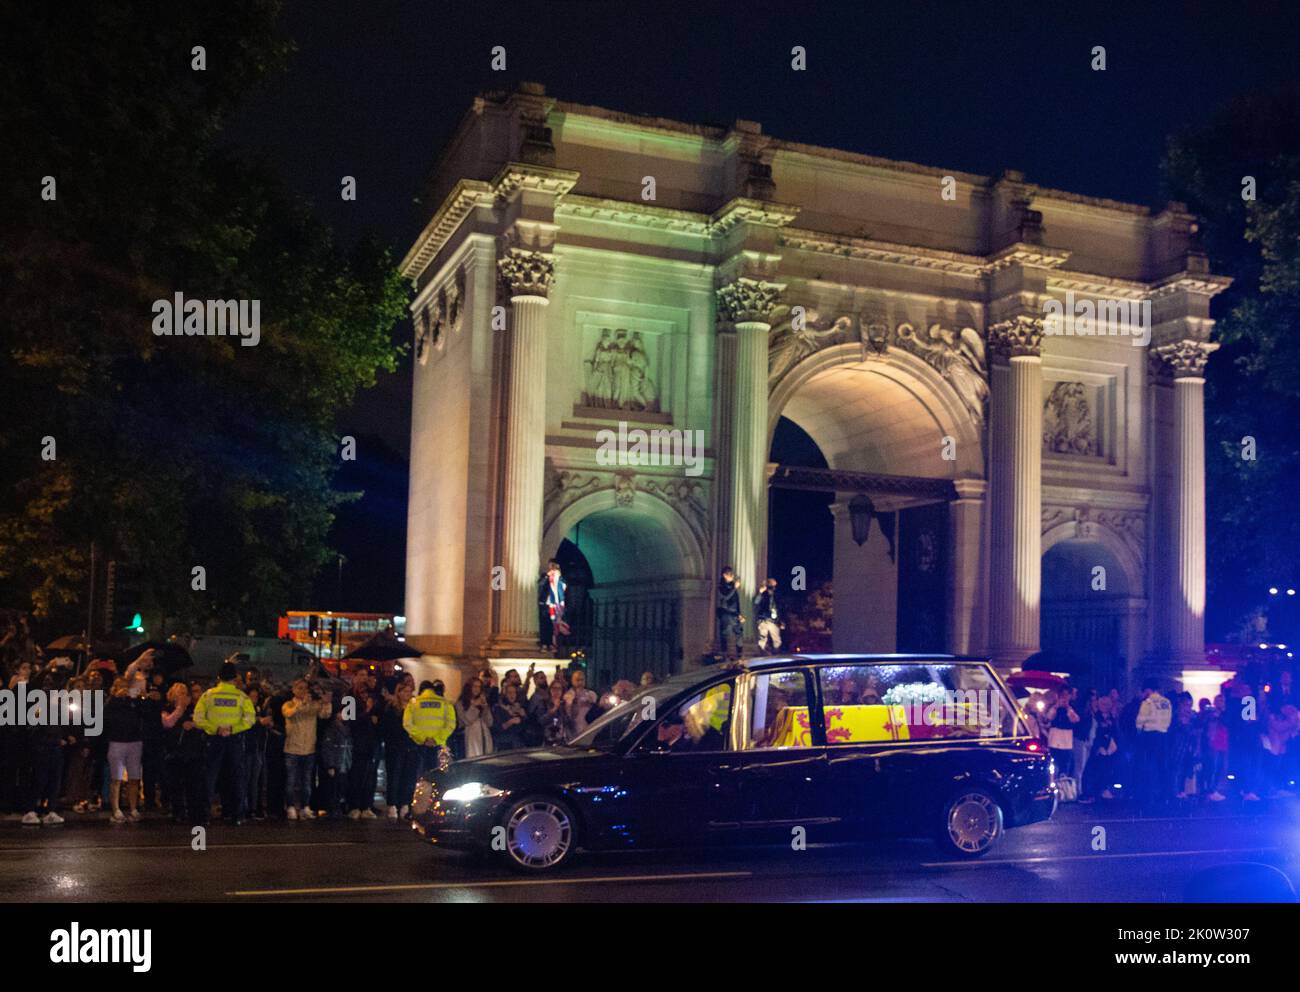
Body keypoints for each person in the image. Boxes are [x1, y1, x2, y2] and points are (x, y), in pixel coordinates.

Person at [193, 661, 256, 825]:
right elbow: (250, 719)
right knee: (237, 777)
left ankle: (204, 816)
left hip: (213, 740)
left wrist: (216, 729)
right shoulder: (241, 697)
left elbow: (198, 718)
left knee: (209, 777)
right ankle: (237, 815)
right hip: (234, 740)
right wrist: (233, 729)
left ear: (219, 677)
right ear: (235, 678)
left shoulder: (208, 695)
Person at [281, 678, 331, 820]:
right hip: (292, 748)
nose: (303, 691)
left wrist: (326, 702)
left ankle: (305, 806)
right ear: (294, 690)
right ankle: (290, 806)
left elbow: (325, 714)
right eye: (300, 688)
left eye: (305, 688)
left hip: (309, 749)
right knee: (291, 781)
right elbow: (289, 713)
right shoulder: (288, 704)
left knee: (307, 781)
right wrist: (302, 703)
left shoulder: (313, 705)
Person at [161, 683, 208, 824]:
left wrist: (193, 724)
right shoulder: (168, 709)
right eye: (179, 693)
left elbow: (205, 723)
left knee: (193, 785)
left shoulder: (194, 709)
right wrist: (179, 709)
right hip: (175, 752)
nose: (182, 696)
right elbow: (167, 723)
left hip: (193, 752)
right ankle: (178, 811)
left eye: (184, 693)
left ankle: (194, 813)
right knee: (176, 785)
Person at [104, 676, 146, 823]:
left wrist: (140, 697)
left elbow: (143, 713)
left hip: (134, 741)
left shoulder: (133, 701)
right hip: (117, 741)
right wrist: (117, 698)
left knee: (134, 777)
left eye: (126, 686)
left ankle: (133, 808)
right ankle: (116, 809)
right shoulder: (111, 701)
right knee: (116, 777)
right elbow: (106, 716)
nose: (124, 689)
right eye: (120, 686)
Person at [403, 679, 457, 788]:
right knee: (438, 778)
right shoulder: (445, 703)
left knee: (419, 777)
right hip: (439, 747)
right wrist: (436, 739)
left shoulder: (413, 703)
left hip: (419, 746)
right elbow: (451, 724)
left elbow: (407, 724)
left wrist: (423, 738)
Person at [346, 669, 382, 819]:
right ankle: (354, 806)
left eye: (366, 675)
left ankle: (366, 805)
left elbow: (379, 716)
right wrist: (367, 711)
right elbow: (349, 720)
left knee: (370, 775)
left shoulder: (374, 696)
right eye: (360, 675)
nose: (364, 678)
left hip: (371, 741)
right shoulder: (349, 697)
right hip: (356, 741)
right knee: (356, 774)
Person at [1134, 678, 1172, 812]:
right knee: (1163, 767)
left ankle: (1149, 797)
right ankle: (1165, 796)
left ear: (1148, 690)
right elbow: (1169, 720)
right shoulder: (1166, 702)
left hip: (1149, 737)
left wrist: (1139, 732)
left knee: (1148, 767)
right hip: (1163, 737)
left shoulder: (1148, 702)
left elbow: (1139, 721)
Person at [1082, 695, 1119, 802]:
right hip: (1098, 747)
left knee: (1106, 770)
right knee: (1094, 770)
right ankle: (1092, 792)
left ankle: (1103, 790)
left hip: (1109, 747)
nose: (1105, 707)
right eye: (1102, 704)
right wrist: (1099, 747)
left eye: (1107, 704)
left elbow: (1114, 731)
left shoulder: (1111, 718)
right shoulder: (1096, 717)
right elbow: (1096, 733)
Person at [318, 710, 353, 818]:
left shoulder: (347, 728)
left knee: (341, 786)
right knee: (333, 787)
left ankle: (339, 808)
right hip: (337, 763)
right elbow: (327, 748)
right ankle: (333, 809)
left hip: (344, 762)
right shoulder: (331, 729)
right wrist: (330, 765)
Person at [456, 677, 494, 758]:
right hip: (470, 738)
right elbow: (466, 721)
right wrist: (474, 706)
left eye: (479, 687)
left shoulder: (482, 701)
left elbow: (489, 722)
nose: (477, 689)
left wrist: (485, 708)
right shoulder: (460, 704)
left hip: (484, 736)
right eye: (474, 686)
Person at [539, 560, 568, 656]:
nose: (552, 568)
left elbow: (563, 588)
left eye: (554, 566)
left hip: (556, 604)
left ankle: (552, 644)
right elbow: (540, 584)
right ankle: (545, 643)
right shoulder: (546, 577)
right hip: (547, 604)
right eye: (551, 566)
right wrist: (547, 577)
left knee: (554, 625)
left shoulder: (561, 578)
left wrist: (557, 578)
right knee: (545, 624)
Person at [492, 681, 529, 751]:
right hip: (505, 745)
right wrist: (511, 722)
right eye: (509, 692)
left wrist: (524, 716)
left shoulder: (519, 707)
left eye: (514, 692)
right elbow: (497, 729)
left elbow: (525, 727)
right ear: (505, 694)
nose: (512, 695)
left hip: (519, 744)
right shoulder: (498, 708)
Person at [715, 566, 741, 660]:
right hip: (726, 613)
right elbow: (726, 597)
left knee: (739, 635)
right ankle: (725, 656)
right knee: (726, 635)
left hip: (734, 614)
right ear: (724, 575)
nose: (732, 576)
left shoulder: (732, 586)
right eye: (730, 574)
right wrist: (734, 588)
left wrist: (739, 614)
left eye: (732, 574)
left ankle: (738, 656)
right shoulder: (721, 587)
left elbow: (736, 602)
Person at [564, 668, 598, 737]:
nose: (580, 683)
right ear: (572, 681)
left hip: (589, 728)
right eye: (577, 680)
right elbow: (568, 714)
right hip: (573, 730)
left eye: (582, 680)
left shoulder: (592, 694)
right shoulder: (567, 696)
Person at [752, 578, 783, 654]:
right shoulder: (763, 594)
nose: (774, 587)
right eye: (772, 585)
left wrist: (781, 620)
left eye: (774, 585)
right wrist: (760, 593)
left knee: (776, 639)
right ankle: (761, 652)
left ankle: (776, 653)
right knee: (762, 638)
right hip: (763, 619)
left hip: (774, 620)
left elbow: (780, 608)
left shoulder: (777, 595)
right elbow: (756, 602)